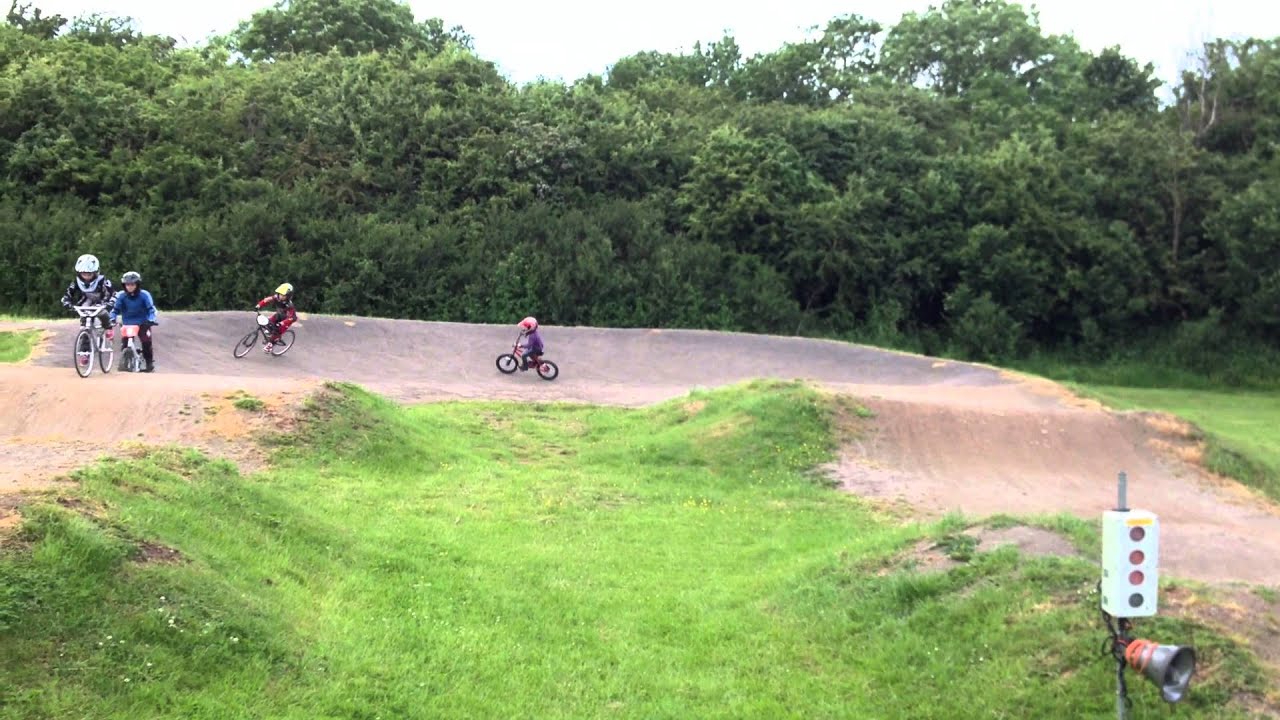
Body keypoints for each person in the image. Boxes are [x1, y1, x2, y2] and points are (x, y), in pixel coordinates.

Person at [109, 271, 159, 372]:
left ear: (137, 285)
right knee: (125, 344)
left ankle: (149, 364)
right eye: (127, 285)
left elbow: (151, 310)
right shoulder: (121, 296)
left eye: (132, 284)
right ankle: (125, 361)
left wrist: (151, 320)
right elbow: (114, 310)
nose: (130, 287)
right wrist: (112, 318)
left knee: (146, 342)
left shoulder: (145, 295)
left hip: (143, 323)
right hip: (127, 324)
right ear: (124, 285)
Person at [60, 254, 116, 337]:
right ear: (79, 273)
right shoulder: (76, 282)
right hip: (84, 305)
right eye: (84, 274)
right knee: (84, 321)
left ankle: (108, 327)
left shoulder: (102, 280)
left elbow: (113, 293)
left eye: (89, 274)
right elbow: (68, 294)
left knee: (103, 314)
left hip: (101, 303)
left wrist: (110, 302)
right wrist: (66, 301)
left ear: (95, 272)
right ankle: (84, 339)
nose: (86, 277)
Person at [255, 282, 297, 352]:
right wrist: (259, 305)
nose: (281, 296)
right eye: (280, 294)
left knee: (277, 331)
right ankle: (271, 336)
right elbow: (267, 300)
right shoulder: (276, 297)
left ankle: (271, 344)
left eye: (283, 295)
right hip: (279, 315)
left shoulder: (289, 305)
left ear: (288, 296)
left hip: (287, 320)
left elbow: (292, 318)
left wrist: (282, 323)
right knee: (268, 323)